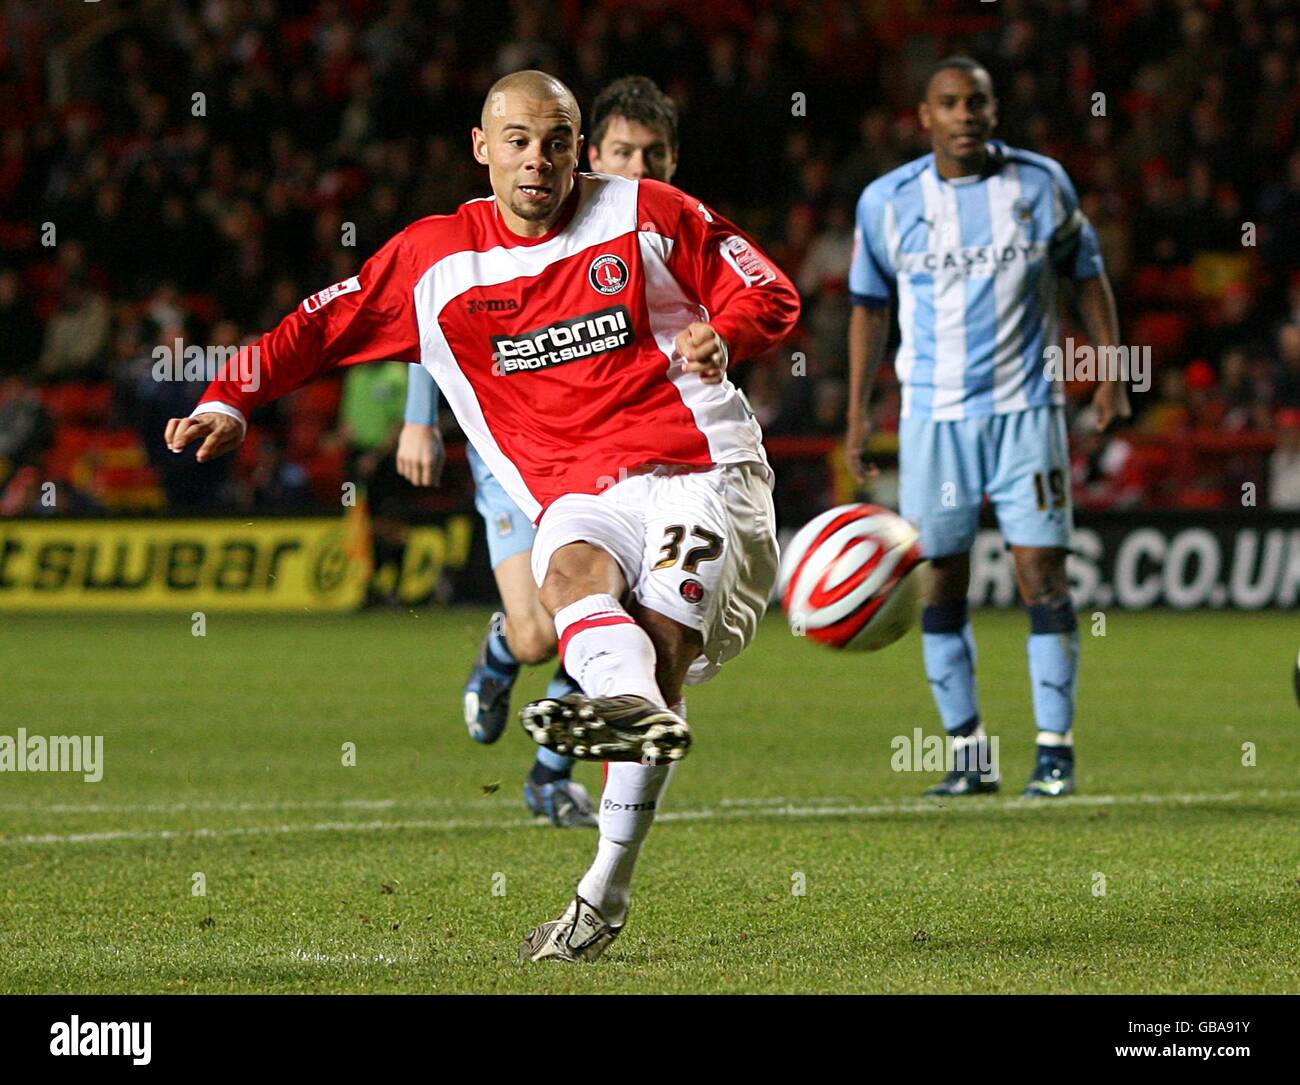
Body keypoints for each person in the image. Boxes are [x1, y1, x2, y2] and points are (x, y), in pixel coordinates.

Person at [165, 70, 800, 961]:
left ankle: (606, 874)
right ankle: (621, 758)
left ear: (581, 147)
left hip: (703, 467)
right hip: (580, 490)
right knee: (572, 584)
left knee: (658, 650)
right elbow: (320, 322)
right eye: (517, 141)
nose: (537, 160)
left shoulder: (649, 212)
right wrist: (231, 398)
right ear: (481, 147)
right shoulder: (436, 258)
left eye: (556, 141)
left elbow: (766, 286)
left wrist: (726, 332)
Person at [396, 75, 683, 829]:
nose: (638, 172)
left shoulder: (662, 232)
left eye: (653, 157)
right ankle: (500, 651)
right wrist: (419, 417)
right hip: (517, 462)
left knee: (613, 612)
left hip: (619, 461)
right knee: (537, 632)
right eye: (624, 152)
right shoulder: (522, 221)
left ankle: (549, 775)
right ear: (592, 153)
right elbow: (430, 304)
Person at [845, 57, 1130, 799]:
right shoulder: (887, 201)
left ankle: (1055, 752)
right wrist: (854, 413)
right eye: (950, 103)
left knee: (1042, 571)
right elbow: (868, 308)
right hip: (932, 415)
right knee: (942, 581)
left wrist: (1110, 370)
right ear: (925, 116)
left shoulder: (1041, 184)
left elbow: (1087, 273)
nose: (965, 114)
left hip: (1025, 409)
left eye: (977, 101)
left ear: (994, 110)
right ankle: (969, 755)